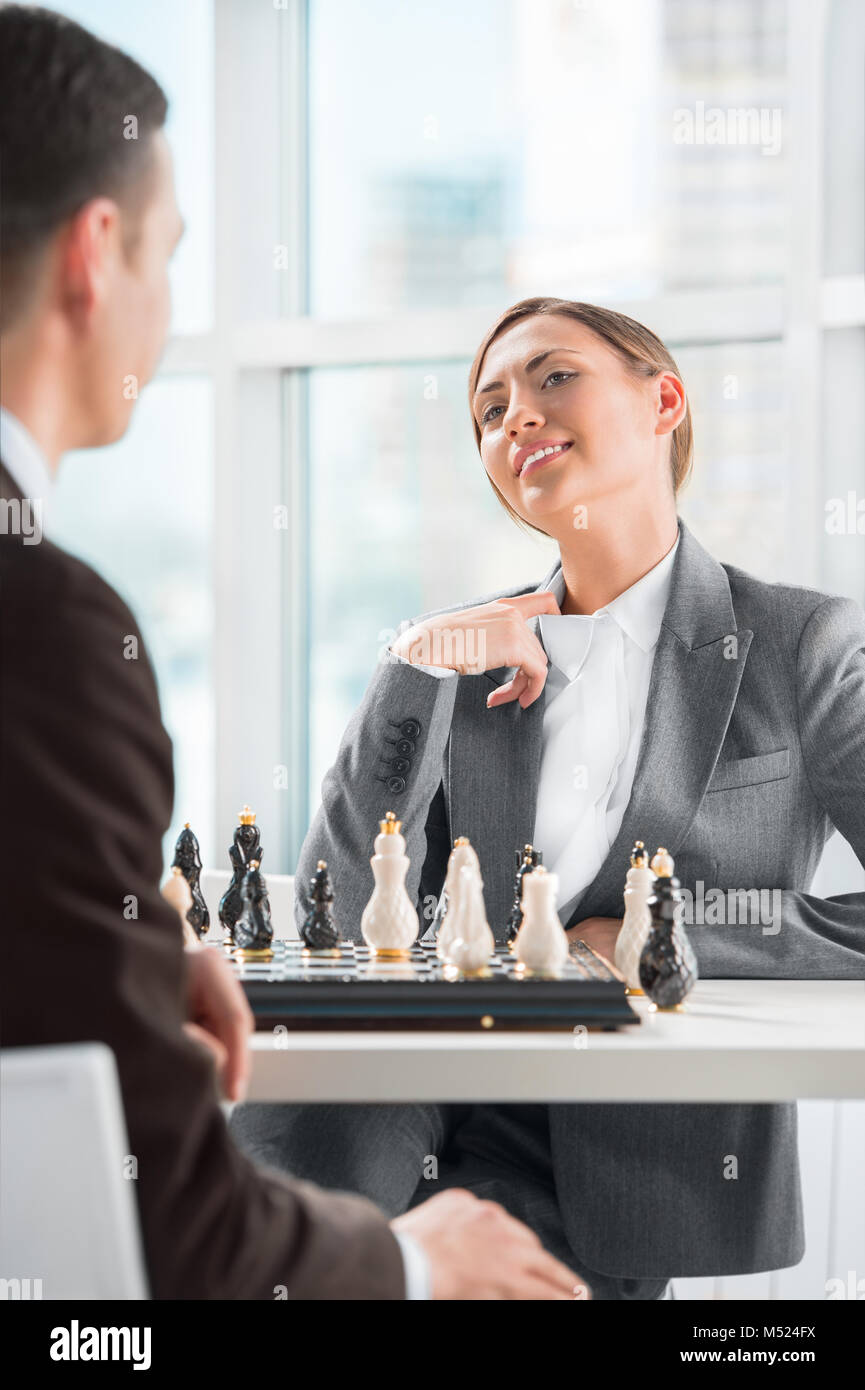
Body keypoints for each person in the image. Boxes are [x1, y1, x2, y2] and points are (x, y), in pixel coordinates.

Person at [0, 5, 584, 1302]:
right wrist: (414, 1261)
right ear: (97, 255)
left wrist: (129, 939)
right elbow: (183, 1240)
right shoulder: (47, 631)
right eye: (169, 255)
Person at [230, 295, 865, 1300]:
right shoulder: (461, 651)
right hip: (372, 1118)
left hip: (612, 1158)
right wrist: (412, 668)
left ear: (664, 401)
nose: (513, 415)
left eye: (552, 376)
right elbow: (342, 917)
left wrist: (658, 932)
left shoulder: (803, 648)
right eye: (486, 409)